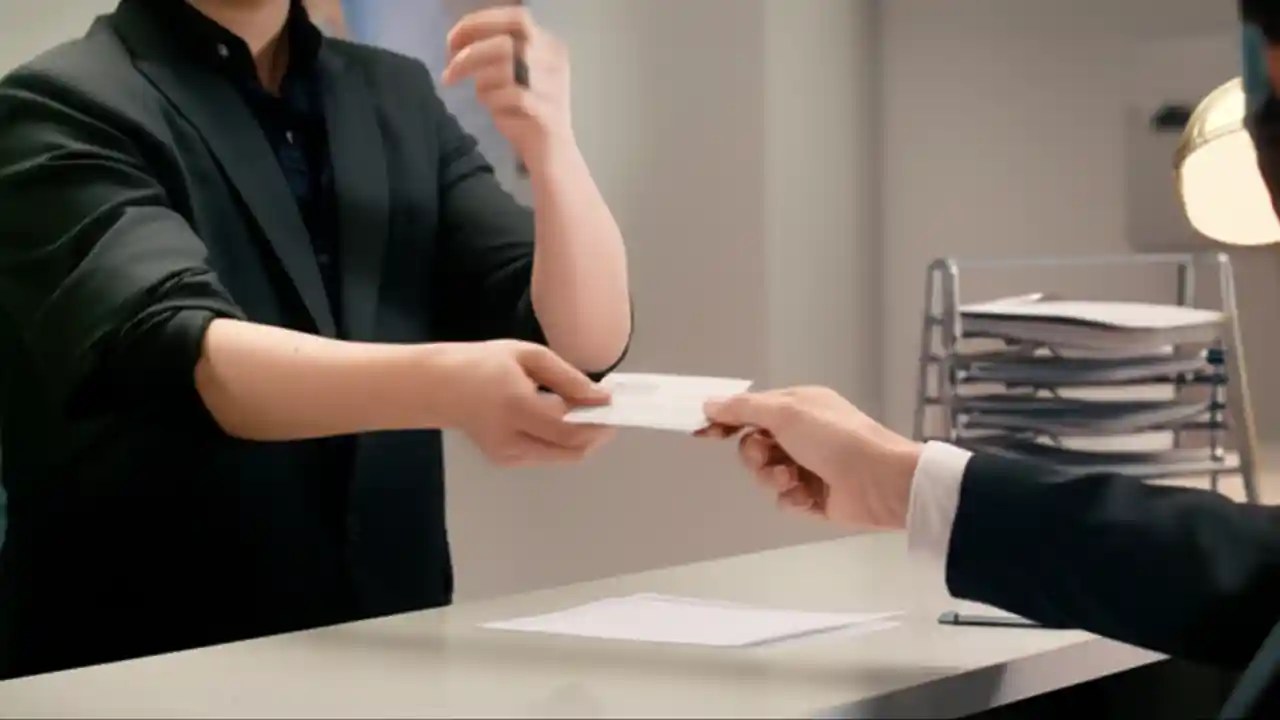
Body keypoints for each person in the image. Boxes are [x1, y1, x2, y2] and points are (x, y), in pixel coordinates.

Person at [0, 0, 631, 679]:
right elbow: (184, 351)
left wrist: (552, 146)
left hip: (392, 647)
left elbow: (579, 344)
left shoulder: (393, 93)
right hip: (144, 661)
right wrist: (452, 387)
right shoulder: (58, 103)